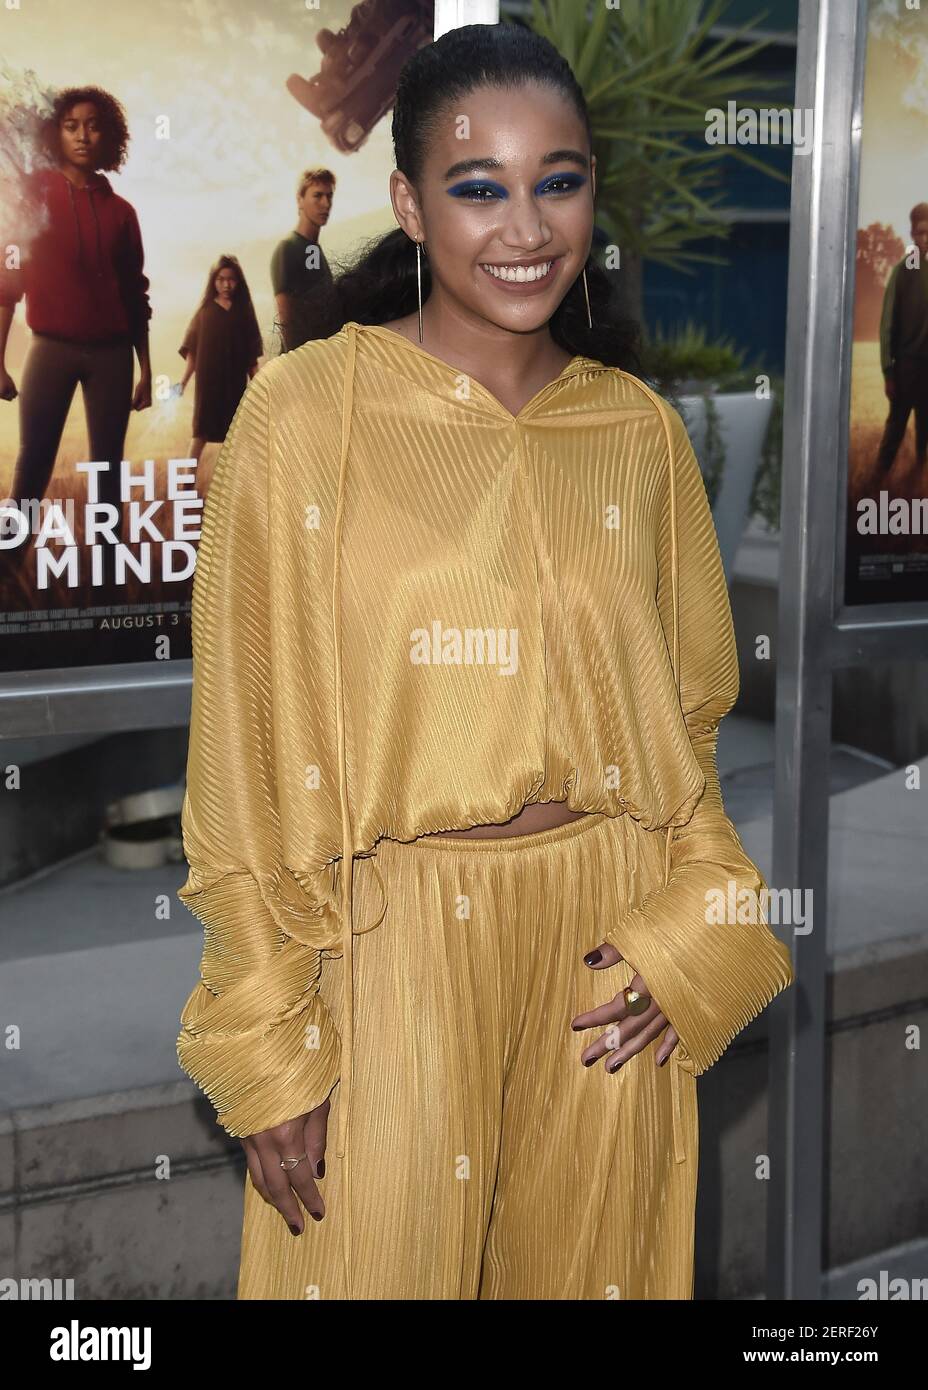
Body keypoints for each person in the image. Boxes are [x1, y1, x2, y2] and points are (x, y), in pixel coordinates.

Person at [175, 24, 794, 1301]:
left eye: (557, 181)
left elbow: (691, 731)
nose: (525, 226)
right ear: (406, 202)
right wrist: (268, 1035)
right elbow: (239, 742)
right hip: (385, 947)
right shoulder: (303, 416)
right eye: (478, 187)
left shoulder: (635, 434)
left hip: (608, 954)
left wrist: (695, 937)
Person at [0, 86, 152, 594]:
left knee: (109, 472)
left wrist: (146, 368)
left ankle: (110, 583)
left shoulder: (123, 212)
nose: (83, 135)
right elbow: (8, 281)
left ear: (108, 134)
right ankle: (4, 568)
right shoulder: (34, 195)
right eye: (71, 125)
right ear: (56, 133)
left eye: (93, 125)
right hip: (50, 349)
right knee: (32, 468)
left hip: (112, 355)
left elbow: (135, 294)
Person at [178, 255, 263, 462]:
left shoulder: (244, 313)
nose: (226, 284)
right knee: (199, 436)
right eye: (221, 279)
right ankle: (185, 489)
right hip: (208, 386)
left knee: (237, 438)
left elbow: (252, 358)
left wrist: (260, 387)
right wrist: (182, 382)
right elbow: (192, 353)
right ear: (213, 281)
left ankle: (235, 492)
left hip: (235, 385)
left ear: (238, 281)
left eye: (231, 279)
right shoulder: (204, 313)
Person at [875, 203, 928, 475]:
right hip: (906, 367)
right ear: (912, 233)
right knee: (895, 429)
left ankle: (919, 486)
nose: (926, 239)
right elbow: (887, 325)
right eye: (921, 233)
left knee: (925, 433)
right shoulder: (902, 272)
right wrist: (888, 372)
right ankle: (874, 483)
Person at [270, 168, 336, 352]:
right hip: (301, 364)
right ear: (300, 200)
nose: (326, 204)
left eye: (329, 196)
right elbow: (287, 322)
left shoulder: (313, 250)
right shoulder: (288, 249)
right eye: (318, 196)